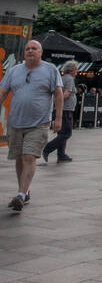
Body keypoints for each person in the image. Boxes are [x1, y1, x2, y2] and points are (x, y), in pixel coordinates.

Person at [1, 40, 64, 212]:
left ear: (40, 52)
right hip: (15, 122)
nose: (30, 51)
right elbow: (3, 92)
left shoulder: (50, 70)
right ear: (24, 53)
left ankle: (21, 195)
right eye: (28, 49)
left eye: (34, 48)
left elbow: (58, 94)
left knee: (29, 156)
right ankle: (25, 191)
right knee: (19, 157)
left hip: (38, 123)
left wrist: (58, 118)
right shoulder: (14, 70)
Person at [43, 59, 78, 162]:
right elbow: (66, 93)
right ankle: (48, 148)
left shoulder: (62, 78)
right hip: (66, 110)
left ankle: (61, 154)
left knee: (62, 133)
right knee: (67, 133)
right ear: (71, 70)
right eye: (76, 69)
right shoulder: (69, 79)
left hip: (62, 109)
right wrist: (60, 101)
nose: (77, 71)